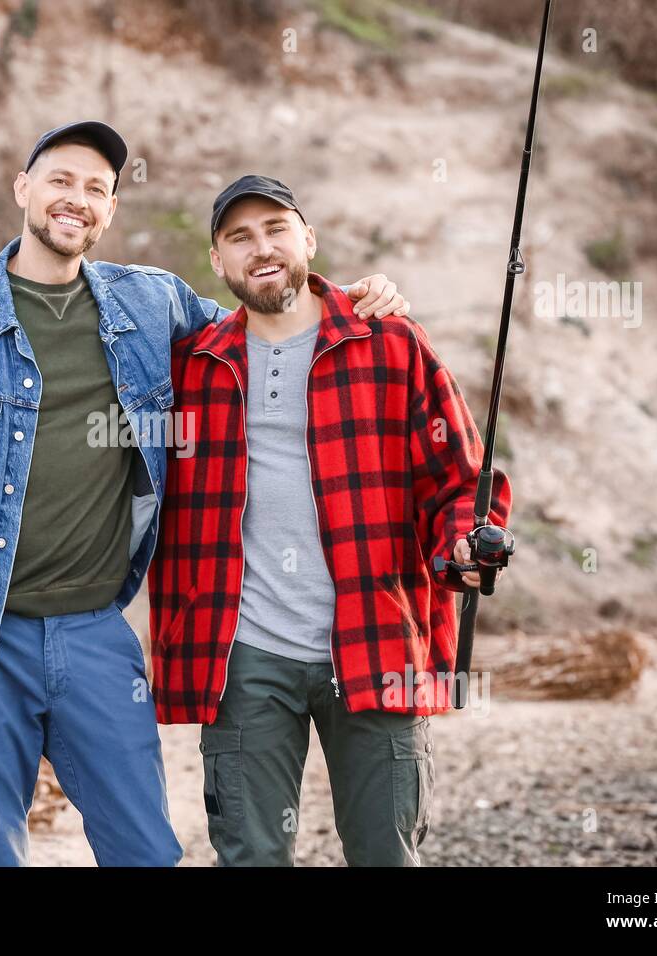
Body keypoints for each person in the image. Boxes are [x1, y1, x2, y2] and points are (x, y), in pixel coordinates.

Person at [0, 122, 413, 866]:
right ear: (23, 190)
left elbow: (265, 326)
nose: (75, 199)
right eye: (59, 180)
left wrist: (358, 297)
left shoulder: (153, 305)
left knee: (146, 850)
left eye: (96, 189)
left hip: (95, 632)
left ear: (109, 211)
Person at [148, 175, 513, 866]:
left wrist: (465, 541)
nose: (262, 248)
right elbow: (81, 319)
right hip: (243, 653)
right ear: (218, 262)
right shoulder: (191, 365)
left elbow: (461, 480)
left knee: (386, 852)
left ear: (307, 240)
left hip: (376, 640)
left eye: (277, 229)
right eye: (239, 237)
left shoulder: (394, 343)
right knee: (251, 854)